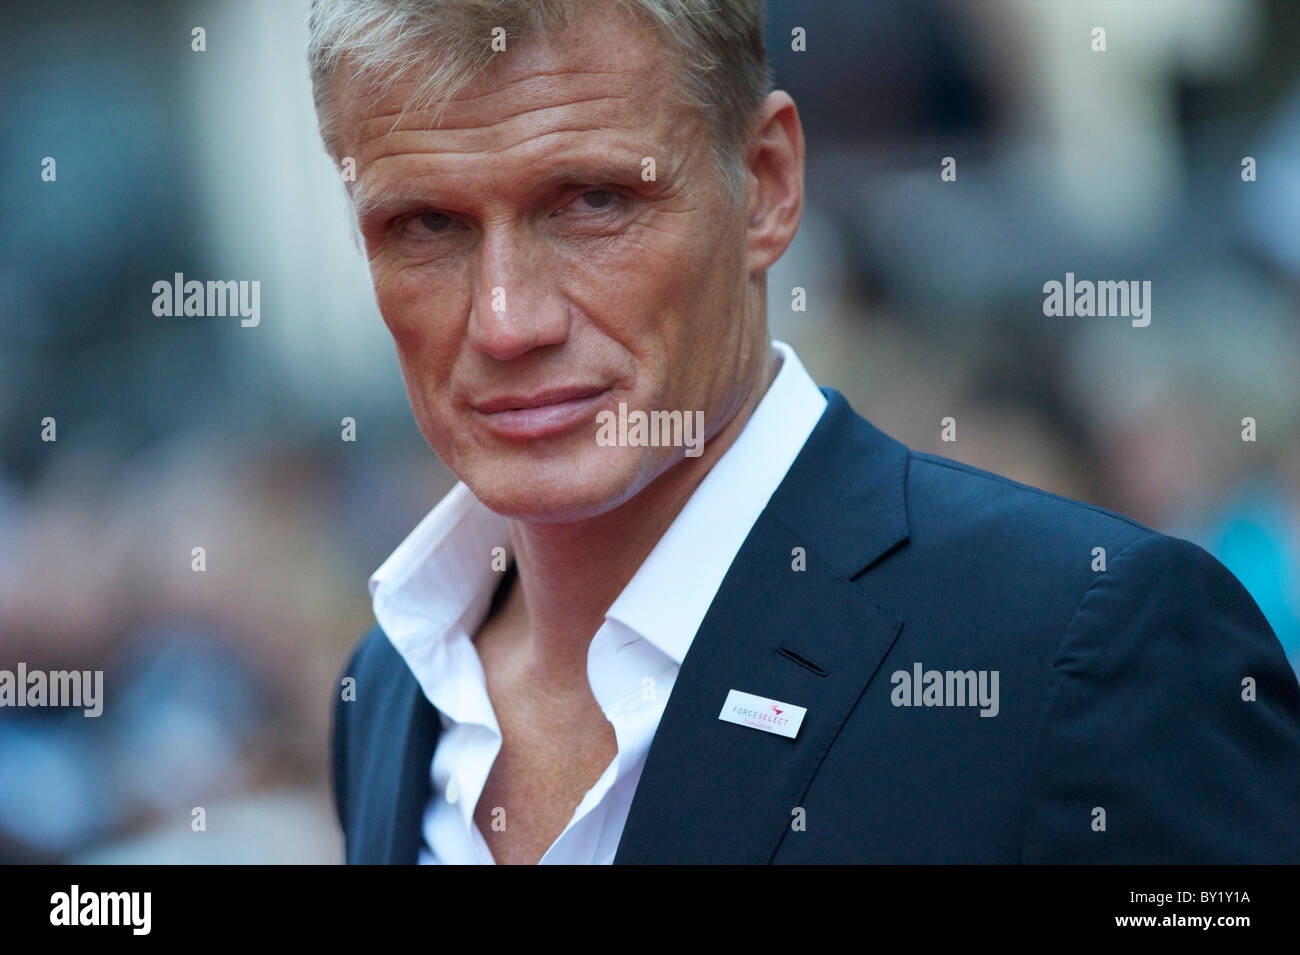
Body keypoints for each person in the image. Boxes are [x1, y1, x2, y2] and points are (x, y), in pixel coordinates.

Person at [311, 0, 1300, 863]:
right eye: (426, 226)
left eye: (593, 201)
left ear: (768, 185)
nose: (505, 320)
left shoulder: (1084, 640)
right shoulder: (395, 684)